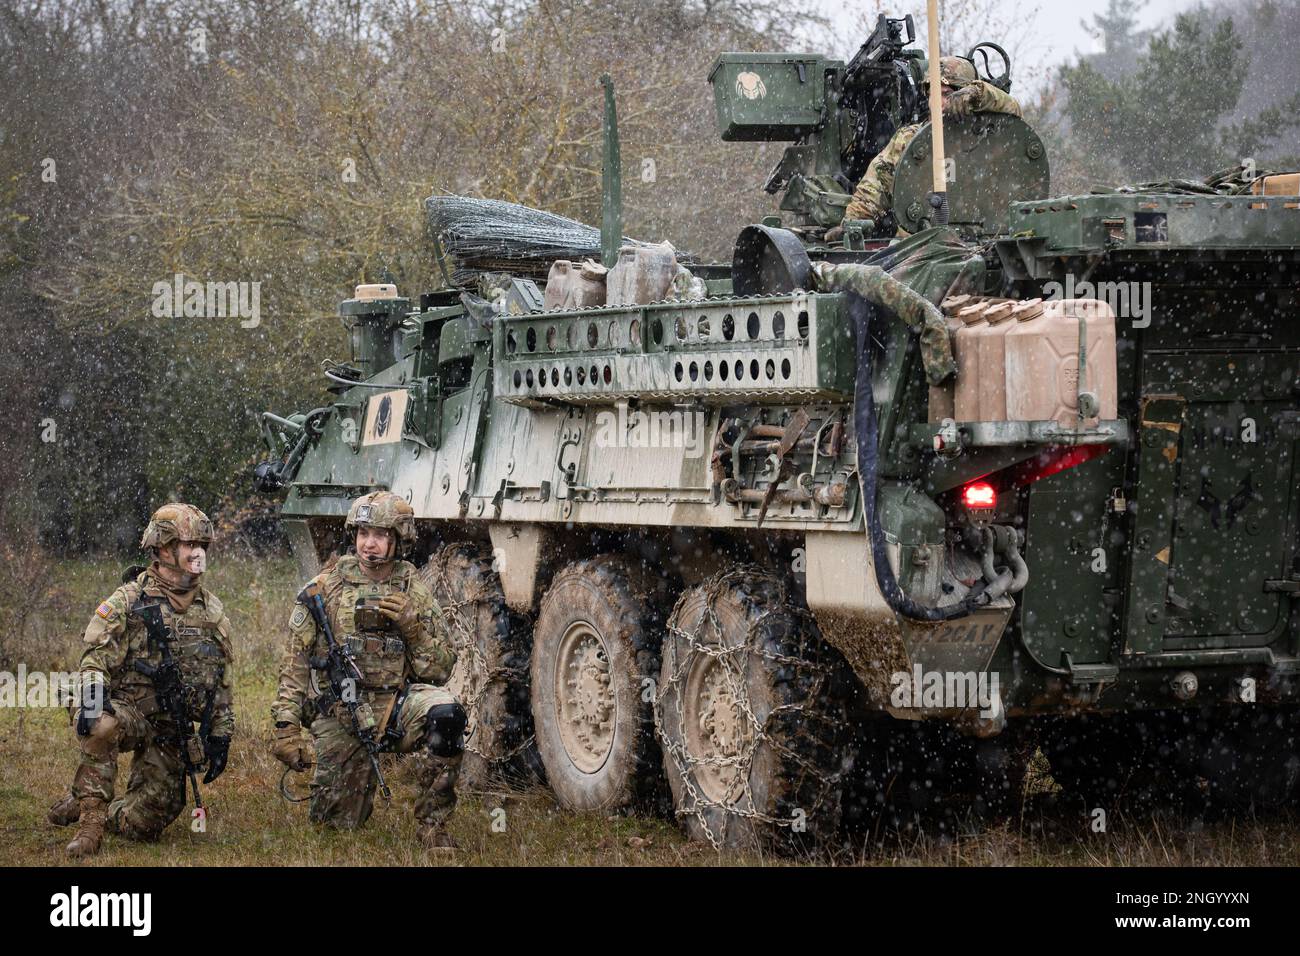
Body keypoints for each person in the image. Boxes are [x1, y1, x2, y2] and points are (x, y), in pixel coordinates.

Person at [270, 490, 465, 849]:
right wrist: (286, 727)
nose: (369, 544)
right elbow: (293, 664)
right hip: (343, 711)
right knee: (336, 828)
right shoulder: (324, 588)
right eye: (363, 534)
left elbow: (442, 669)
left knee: (448, 714)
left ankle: (432, 825)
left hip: (398, 705)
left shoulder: (412, 588)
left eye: (379, 535)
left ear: (397, 540)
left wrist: (414, 628)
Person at [49, 503, 234, 858]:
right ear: (164, 549)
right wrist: (93, 694)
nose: (198, 553)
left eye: (203, 546)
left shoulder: (211, 611)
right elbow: (95, 656)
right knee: (100, 725)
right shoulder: (130, 599)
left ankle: (93, 801)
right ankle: (90, 822)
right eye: (189, 544)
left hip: (169, 725)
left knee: (145, 824)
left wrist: (221, 732)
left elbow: (223, 679)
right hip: (126, 710)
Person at [829, 56, 1023, 240]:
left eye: (947, 94)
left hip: (987, 238)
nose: (938, 102)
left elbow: (1013, 108)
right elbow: (874, 186)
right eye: (933, 95)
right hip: (920, 244)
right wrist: (853, 225)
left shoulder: (992, 135)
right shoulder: (910, 139)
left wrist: (978, 93)